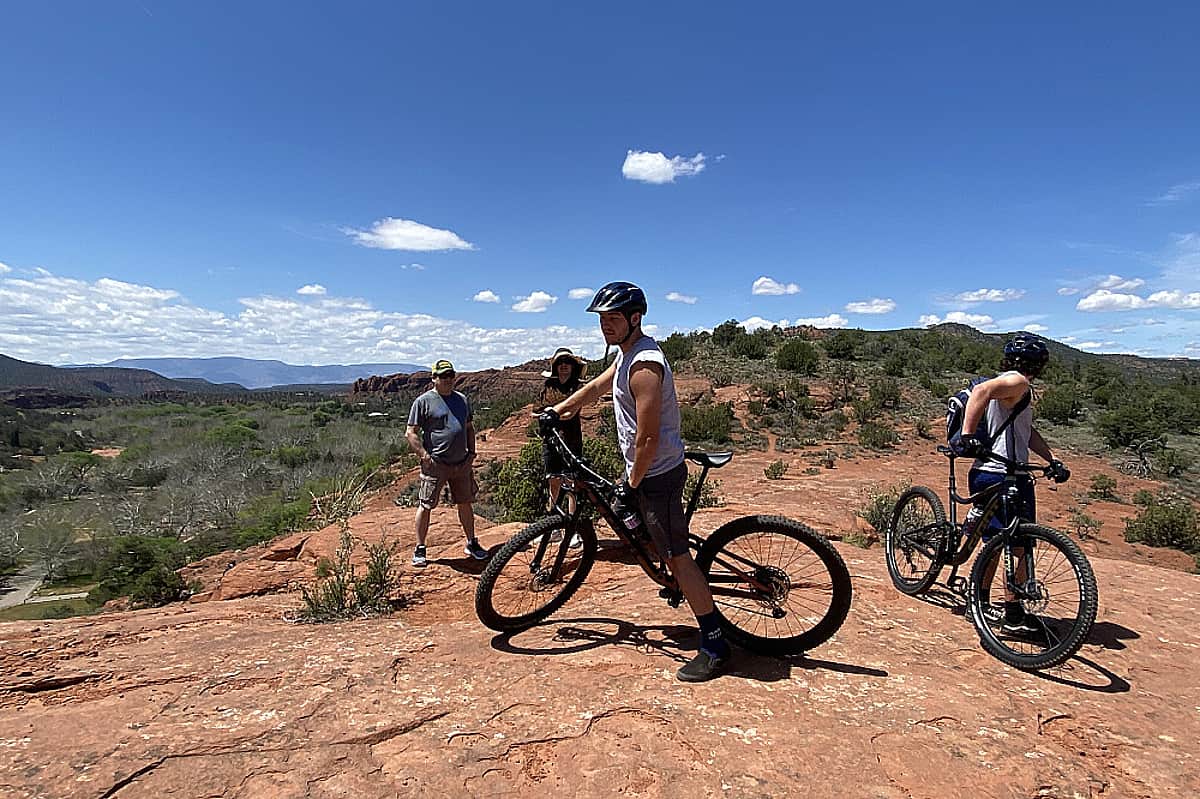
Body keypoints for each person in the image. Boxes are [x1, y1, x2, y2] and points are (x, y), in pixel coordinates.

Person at [550, 281, 731, 682]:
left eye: (613, 319)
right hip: (644, 468)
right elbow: (599, 383)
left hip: (656, 473)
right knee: (624, 515)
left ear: (635, 319)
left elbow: (647, 437)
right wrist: (561, 408)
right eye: (602, 320)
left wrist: (631, 482)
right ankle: (667, 568)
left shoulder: (645, 365)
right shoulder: (627, 355)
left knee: (679, 556)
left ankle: (715, 641)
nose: (605, 327)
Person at [951, 334, 1070, 634]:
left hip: (1005, 473)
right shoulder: (1018, 382)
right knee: (1012, 544)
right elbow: (981, 390)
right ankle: (1007, 612)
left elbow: (1027, 433)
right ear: (1039, 364)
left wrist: (1051, 459)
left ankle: (992, 605)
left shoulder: (1017, 389)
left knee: (1009, 542)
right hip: (1000, 473)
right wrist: (967, 436)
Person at [405, 359, 490, 567]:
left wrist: (472, 454)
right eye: (443, 376)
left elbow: (469, 427)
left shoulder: (461, 399)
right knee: (426, 505)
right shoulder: (423, 401)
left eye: (450, 375)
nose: (448, 379)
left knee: (465, 503)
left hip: (461, 463)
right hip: (436, 464)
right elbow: (411, 432)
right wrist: (424, 456)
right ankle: (420, 548)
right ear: (434, 378)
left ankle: (471, 542)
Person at [539, 348, 588, 526]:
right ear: (555, 367)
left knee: (571, 481)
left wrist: (554, 412)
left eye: (567, 362)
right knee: (553, 480)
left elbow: (571, 410)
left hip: (571, 439)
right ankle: (551, 523)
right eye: (560, 363)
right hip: (551, 439)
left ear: (573, 366)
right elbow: (538, 409)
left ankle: (571, 524)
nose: (564, 366)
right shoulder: (548, 387)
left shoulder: (577, 387)